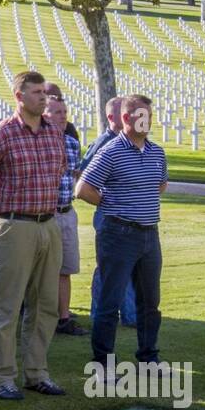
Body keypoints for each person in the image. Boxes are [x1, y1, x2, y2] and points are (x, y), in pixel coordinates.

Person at [0, 71, 67, 400]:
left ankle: (37, 372)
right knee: (6, 305)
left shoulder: (54, 133)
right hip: (11, 226)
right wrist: (0, 208)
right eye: (36, 92)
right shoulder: (1, 134)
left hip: (48, 225)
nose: (43, 98)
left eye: (45, 93)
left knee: (46, 304)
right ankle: (2, 376)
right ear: (19, 96)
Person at [75, 94, 168, 379]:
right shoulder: (111, 152)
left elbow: (160, 184)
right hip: (118, 234)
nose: (146, 121)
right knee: (110, 300)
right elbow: (83, 188)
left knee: (150, 302)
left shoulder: (157, 152)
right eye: (141, 115)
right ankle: (102, 363)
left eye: (149, 116)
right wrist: (113, 204)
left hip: (149, 235)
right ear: (126, 119)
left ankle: (148, 357)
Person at [81, 95, 137, 328]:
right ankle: (102, 313)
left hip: (130, 213)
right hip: (109, 213)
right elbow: (85, 180)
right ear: (111, 116)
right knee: (108, 265)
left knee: (128, 263)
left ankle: (130, 314)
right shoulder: (104, 144)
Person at [44, 90, 86, 336]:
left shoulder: (71, 143)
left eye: (64, 112)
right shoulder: (37, 141)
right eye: (57, 112)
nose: (63, 117)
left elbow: (76, 175)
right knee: (39, 269)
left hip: (66, 211)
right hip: (44, 214)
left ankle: (63, 317)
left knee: (65, 268)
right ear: (45, 114)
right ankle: (39, 315)